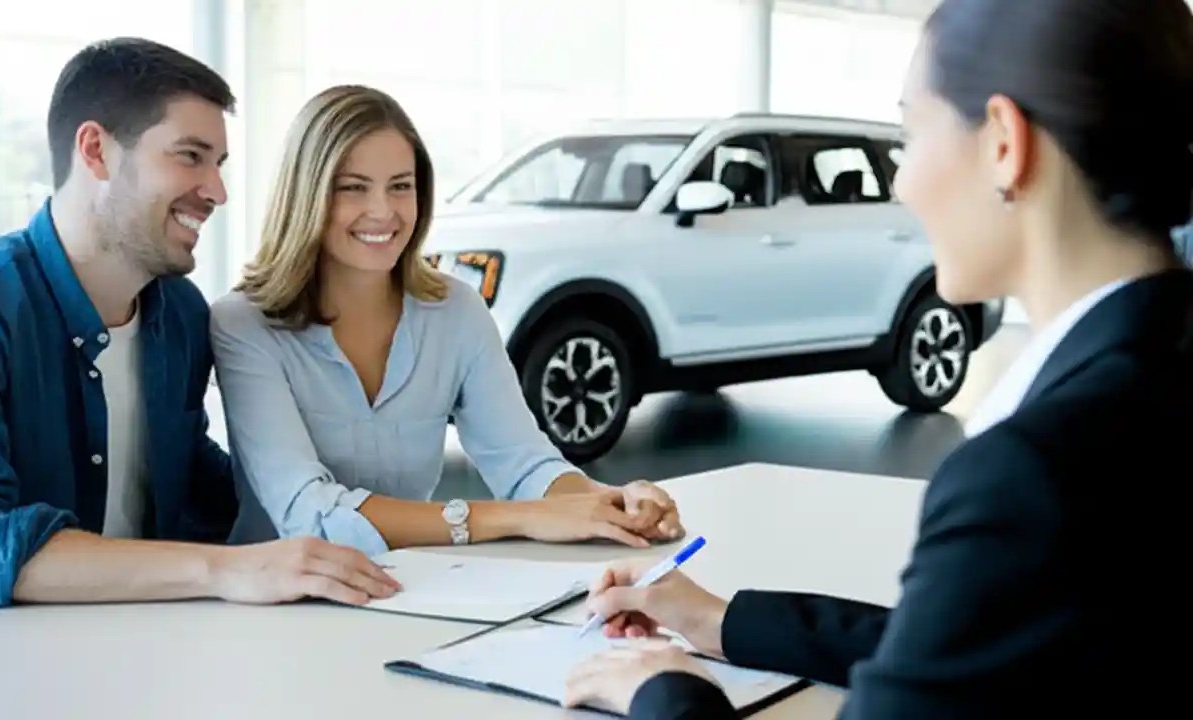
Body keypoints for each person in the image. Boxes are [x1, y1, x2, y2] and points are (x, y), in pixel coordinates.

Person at [562, 0, 1193, 717]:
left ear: (1003, 145)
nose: (901, 183)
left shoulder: (1033, 472)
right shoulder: (1152, 372)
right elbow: (983, 638)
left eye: (910, 134)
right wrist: (721, 620)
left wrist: (667, 694)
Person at [0, 38, 400, 614]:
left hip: (151, 650)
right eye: (190, 156)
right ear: (96, 151)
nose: (217, 191)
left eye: (218, 165)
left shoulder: (182, 314)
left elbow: (200, 490)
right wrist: (228, 569)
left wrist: (327, 517)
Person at [210, 84, 683, 558]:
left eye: (400, 186)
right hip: (277, 608)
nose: (384, 211)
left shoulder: (456, 310)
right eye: (353, 188)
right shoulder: (244, 325)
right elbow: (309, 515)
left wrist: (610, 504)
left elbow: (523, 464)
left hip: (414, 589)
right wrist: (515, 518)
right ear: (305, 194)